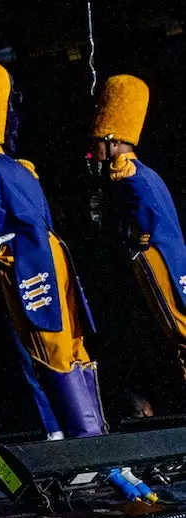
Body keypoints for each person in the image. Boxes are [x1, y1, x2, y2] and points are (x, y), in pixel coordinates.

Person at [0, 60, 103, 437]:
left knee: (49, 352)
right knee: (74, 349)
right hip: (55, 254)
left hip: (25, 262)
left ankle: (82, 442)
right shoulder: (22, 167)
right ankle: (96, 435)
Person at [89, 75, 186, 382]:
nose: (94, 152)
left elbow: (144, 222)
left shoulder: (130, 176)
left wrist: (132, 242)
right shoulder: (145, 172)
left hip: (156, 257)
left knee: (177, 328)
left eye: (99, 144)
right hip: (167, 253)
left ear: (114, 141)